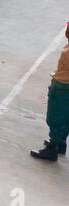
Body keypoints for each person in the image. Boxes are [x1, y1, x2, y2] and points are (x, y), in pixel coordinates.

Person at [30, 22, 69, 160]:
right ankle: (61, 143)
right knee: (66, 117)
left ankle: (52, 148)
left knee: (55, 117)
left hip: (63, 86)